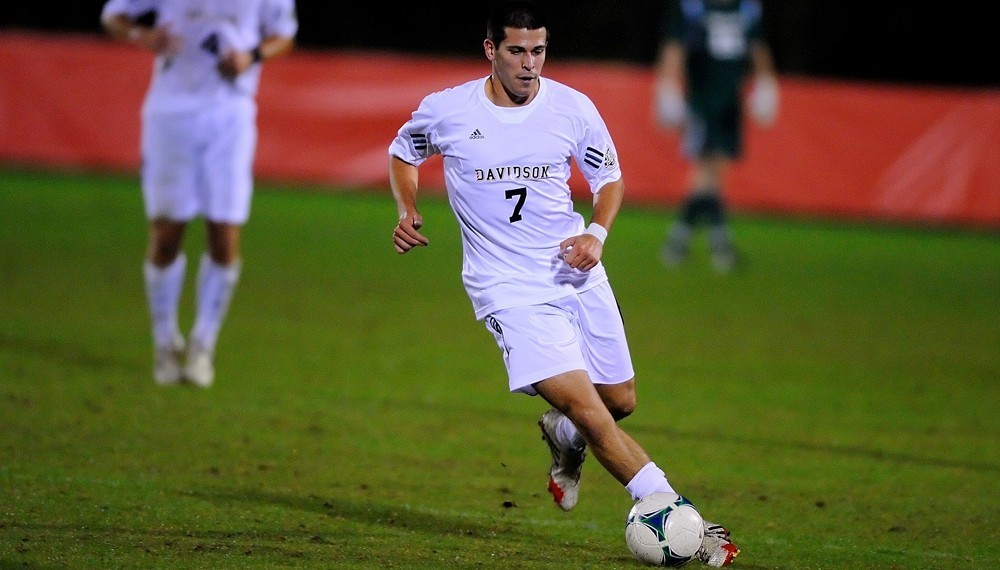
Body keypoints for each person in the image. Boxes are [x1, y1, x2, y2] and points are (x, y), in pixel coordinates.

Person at [389, 1, 738, 565]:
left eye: (539, 50)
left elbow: (610, 179)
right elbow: (404, 152)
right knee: (593, 413)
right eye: (518, 51)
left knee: (619, 401)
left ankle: (564, 437)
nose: (530, 64)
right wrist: (406, 208)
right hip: (507, 289)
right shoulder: (447, 110)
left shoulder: (572, 109)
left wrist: (597, 233)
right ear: (491, 52)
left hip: (574, 271)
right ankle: (676, 518)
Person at [100, 0, 298, 387]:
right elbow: (113, 14)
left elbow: (285, 36)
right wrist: (142, 34)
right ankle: (164, 342)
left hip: (231, 114)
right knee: (166, 235)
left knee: (224, 235)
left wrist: (252, 55)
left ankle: (203, 343)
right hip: (170, 113)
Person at [654, 0, 779, 273]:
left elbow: (757, 48)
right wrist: (667, 86)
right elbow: (675, 48)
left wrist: (766, 80)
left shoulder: (745, 9)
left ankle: (680, 243)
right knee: (706, 173)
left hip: (730, 104)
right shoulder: (694, 9)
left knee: (713, 176)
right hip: (702, 101)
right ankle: (717, 248)